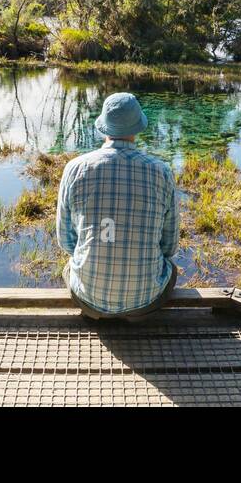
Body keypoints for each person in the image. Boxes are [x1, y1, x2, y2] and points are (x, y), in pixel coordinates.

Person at [56, 92, 179, 321]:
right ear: (137, 127)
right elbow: (169, 246)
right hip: (147, 300)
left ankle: (98, 310)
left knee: (69, 266)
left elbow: (66, 241)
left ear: (104, 127)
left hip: (88, 297)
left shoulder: (74, 168)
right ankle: (135, 313)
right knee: (171, 270)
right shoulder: (161, 171)